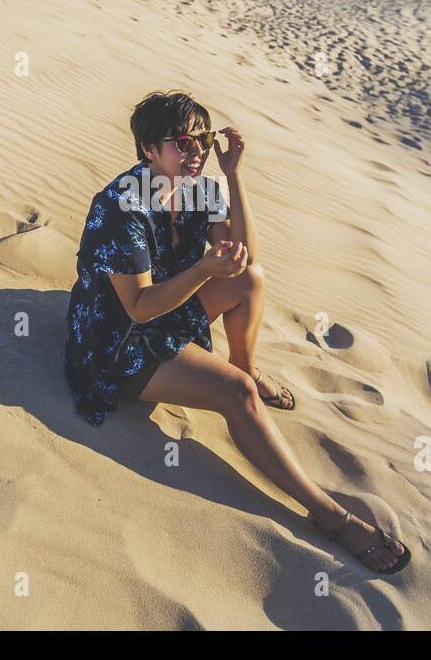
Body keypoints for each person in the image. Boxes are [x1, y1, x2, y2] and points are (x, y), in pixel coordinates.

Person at [63, 91, 410, 575]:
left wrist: (233, 176)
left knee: (251, 279)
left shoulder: (200, 187)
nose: (196, 152)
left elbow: (242, 254)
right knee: (237, 392)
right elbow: (139, 309)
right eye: (182, 142)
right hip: (118, 342)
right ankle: (328, 514)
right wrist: (205, 269)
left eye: (202, 140)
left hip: (171, 309)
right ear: (148, 149)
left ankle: (244, 361)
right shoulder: (122, 208)